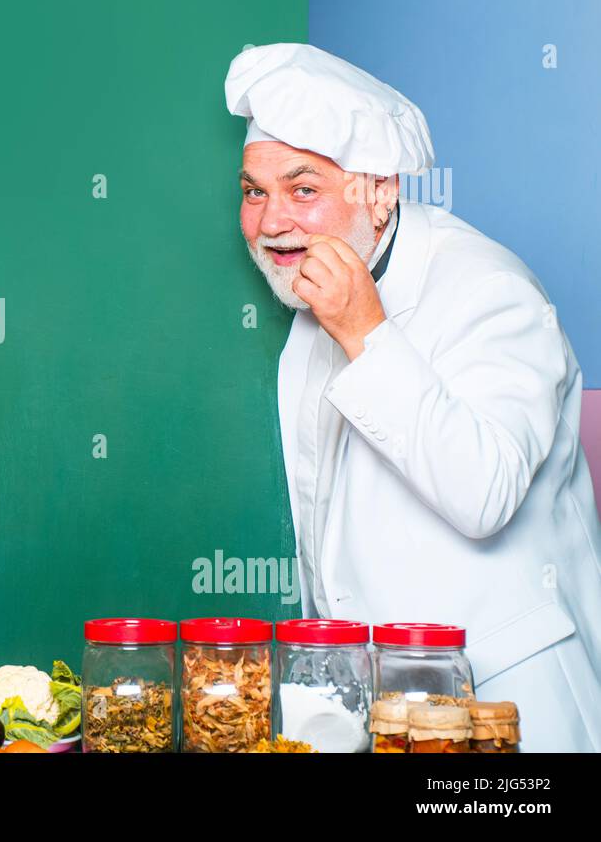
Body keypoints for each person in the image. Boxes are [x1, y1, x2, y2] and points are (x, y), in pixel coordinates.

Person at [227, 42, 601, 751]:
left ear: (381, 190)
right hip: (388, 719)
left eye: (303, 190)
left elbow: (483, 493)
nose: (271, 221)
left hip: (517, 711)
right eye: (253, 191)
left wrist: (366, 330)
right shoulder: (313, 306)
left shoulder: (492, 292)